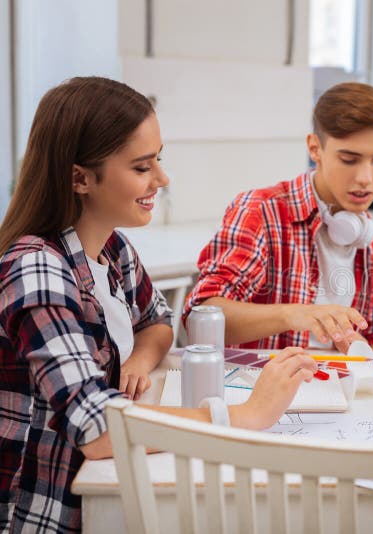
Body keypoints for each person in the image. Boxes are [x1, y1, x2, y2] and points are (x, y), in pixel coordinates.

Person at [0, 77, 316, 532]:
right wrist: (246, 415)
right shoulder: (37, 270)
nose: (162, 180)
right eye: (142, 167)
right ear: (79, 178)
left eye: (158, 161)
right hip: (47, 513)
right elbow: (97, 429)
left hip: (101, 488)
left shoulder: (114, 250)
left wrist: (139, 361)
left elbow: (159, 320)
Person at [185, 82, 373, 353]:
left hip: (336, 387)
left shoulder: (366, 234)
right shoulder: (260, 211)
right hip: (264, 387)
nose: (366, 179)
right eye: (348, 159)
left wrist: (369, 357)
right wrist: (292, 315)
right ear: (314, 148)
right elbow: (200, 318)